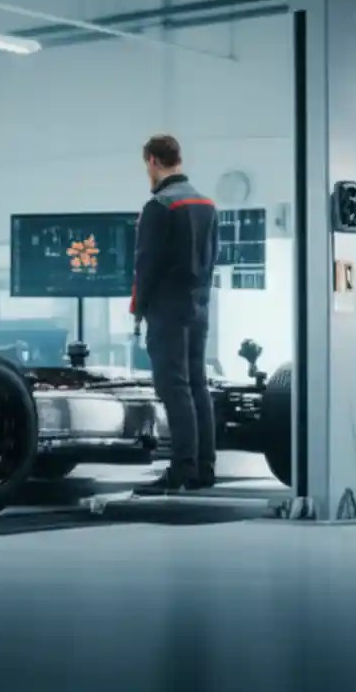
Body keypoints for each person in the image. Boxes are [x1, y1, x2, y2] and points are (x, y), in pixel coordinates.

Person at [130, 134, 219, 493]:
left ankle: (181, 468)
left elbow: (145, 265)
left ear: (152, 161)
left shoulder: (159, 206)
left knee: (173, 386)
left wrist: (137, 310)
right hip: (198, 306)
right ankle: (204, 469)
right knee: (197, 385)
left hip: (167, 309)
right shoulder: (206, 204)